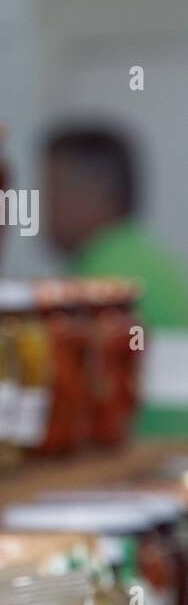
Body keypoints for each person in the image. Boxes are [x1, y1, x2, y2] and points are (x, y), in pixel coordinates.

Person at [45, 125, 188, 435]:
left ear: (85, 196)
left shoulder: (99, 286)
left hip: (145, 463)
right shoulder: (151, 260)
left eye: (48, 191)